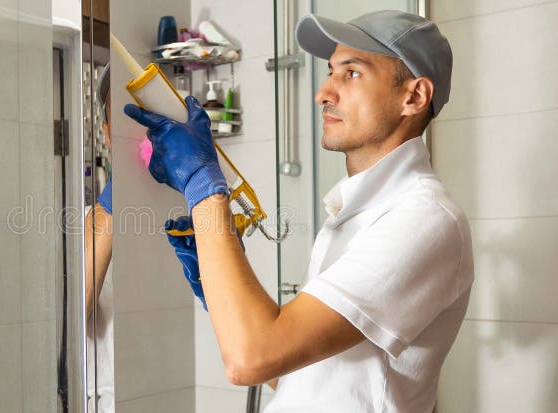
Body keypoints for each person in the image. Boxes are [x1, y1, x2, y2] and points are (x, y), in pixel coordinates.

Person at [124, 10, 474, 412]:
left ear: (413, 96)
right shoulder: (355, 213)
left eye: (352, 73)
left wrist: (205, 187)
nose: (323, 92)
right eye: (330, 71)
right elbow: (300, 377)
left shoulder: (422, 218)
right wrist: (217, 287)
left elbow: (249, 360)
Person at [84, 64, 114, 412]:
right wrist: (115, 202)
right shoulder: (82, 224)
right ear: (106, 133)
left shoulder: (196, 215)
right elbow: (67, 323)